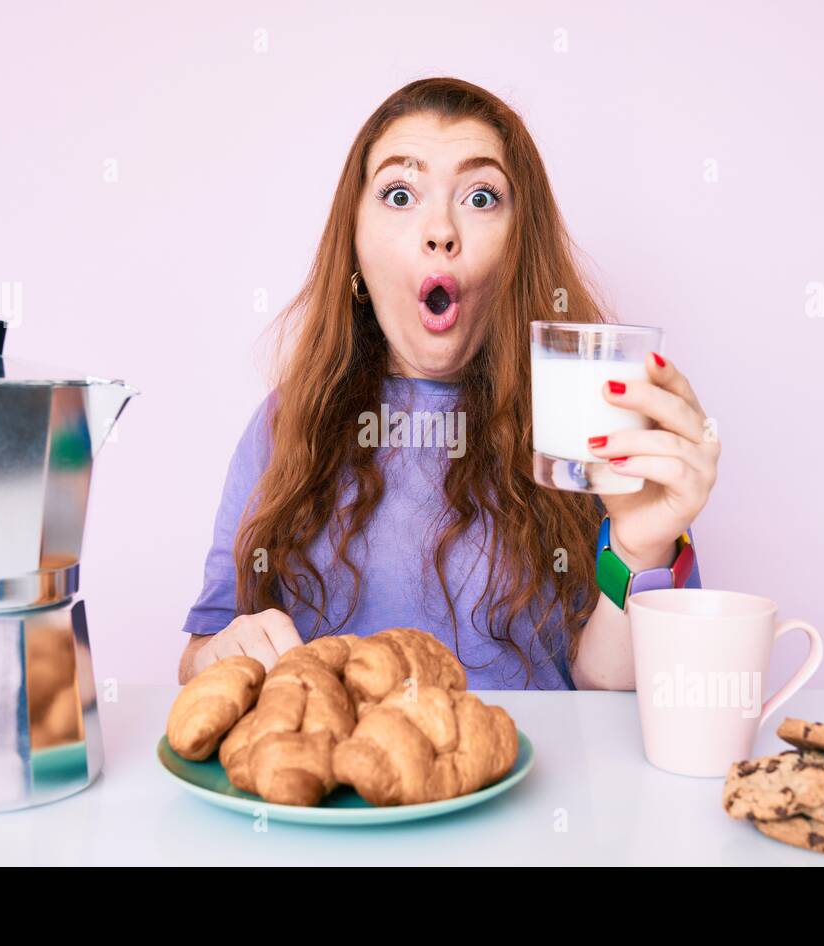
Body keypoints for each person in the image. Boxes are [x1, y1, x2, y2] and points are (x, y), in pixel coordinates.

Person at [179, 77, 719, 690]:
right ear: (354, 246)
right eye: (400, 193)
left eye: (481, 197)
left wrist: (641, 549)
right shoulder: (288, 421)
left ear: (522, 245)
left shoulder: (588, 421)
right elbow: (204, 652)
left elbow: (611, 699)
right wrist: (219, 654)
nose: (440, 230)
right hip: (339, 786)